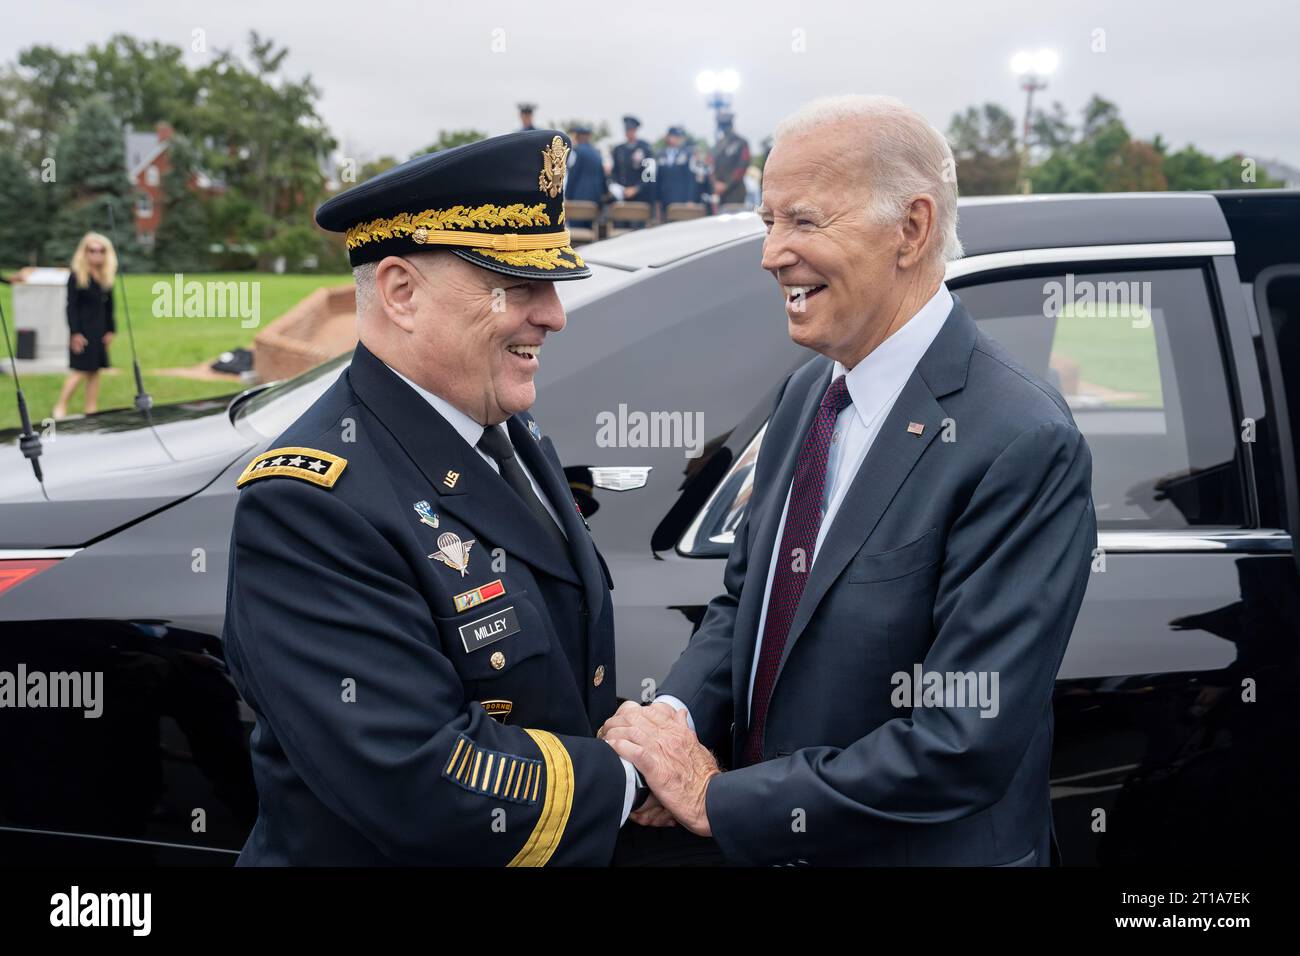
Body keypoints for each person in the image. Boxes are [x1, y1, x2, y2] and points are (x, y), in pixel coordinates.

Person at [601, 95, 1097, 866]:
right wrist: (670, 724)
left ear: (912, 228)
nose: (771, 254)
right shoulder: (812, 392)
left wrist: (719, 800)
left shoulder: (1020, 438)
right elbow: (748, 603)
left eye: (802, 221)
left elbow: (961, 740)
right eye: (768, 222)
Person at [223, 130, 643, 866]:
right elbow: (420, 778)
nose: (553, 314)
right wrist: (633, 780)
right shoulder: (307, 504)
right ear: (400, 292)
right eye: (516, 286)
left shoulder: (505, 429)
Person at [51, 232, 116, 419]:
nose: (97, 254)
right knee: (80, 371)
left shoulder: (105, 276)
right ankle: (60, 407)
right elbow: (70, 307)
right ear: (85, 252)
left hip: (99, 330)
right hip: (83, 330)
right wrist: (75, 333)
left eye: (101, 251)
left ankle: (91, 409)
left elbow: (110, 306)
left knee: (95, 372)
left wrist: (111, 329)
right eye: (92, 250)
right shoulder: (76, 276)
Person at [655, 126, 707, 214]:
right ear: (668, 137)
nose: (676, 139)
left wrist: (690, 199)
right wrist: (656, 200)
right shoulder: (660, 154)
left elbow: (691, 179)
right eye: (674, 136)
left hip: (681, 199)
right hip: (665, 198)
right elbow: (657, 179)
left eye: (678, 137)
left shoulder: (687, 155)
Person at [564, 124, 606, 230]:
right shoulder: (597, 153)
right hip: (594, 202)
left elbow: (573, 176)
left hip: (578, 201)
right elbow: (602, 178)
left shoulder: (576, 152)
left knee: (576, 234)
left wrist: (567, 196)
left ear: (577, 137)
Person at [609, 115, 655, 211]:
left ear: (635, 130)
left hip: (641, 198)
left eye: (631, 130)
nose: (629, 133)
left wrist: (636, 188)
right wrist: (618, 187)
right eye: (627, 130)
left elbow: (650, 175)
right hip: (621, 196)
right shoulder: (618, 149)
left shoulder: (646, 149)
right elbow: (614, 172)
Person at [709, 110, 751, 209]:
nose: (724, 128)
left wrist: (726, 185)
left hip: (735, 192)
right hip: (718, 193)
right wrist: (715, 183)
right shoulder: (717, 145)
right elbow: (710, 165)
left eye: (726, 124)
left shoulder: (741, 142)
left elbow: (742, 167)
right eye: (722, 125)